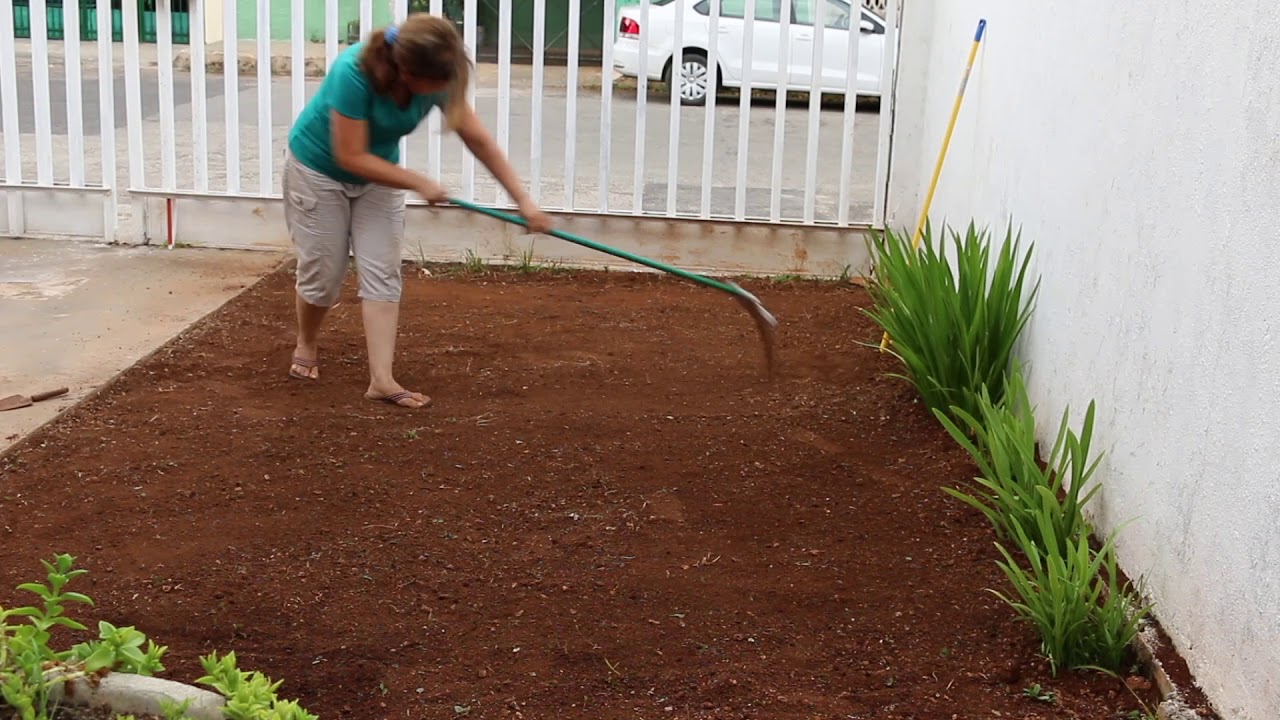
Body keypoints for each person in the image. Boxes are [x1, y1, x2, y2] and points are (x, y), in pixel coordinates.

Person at [282, 12, 552, 409]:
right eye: (438, 84)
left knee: (382, 270)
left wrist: (523, 200)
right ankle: (307, 341)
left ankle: (382, 379)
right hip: (318, 170)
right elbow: (350, 155)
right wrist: (416, 181)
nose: (444, 90)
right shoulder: (352, 73)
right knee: (323, 274)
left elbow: (477, 138)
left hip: (381, 174)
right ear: (405, 71)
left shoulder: (439, 72)